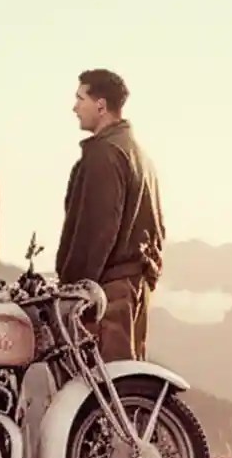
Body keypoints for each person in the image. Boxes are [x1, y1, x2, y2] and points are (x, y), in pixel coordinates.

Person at [55, 68, 166, 362]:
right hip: (133, 289)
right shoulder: (139, 154)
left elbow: (96, 231)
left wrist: (72, 291)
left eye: (80, 98)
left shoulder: (105, 154)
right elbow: (158, 229)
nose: (74, 107)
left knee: (104, 390)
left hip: (108, 295)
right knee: (128, 389)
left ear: (100, 105)